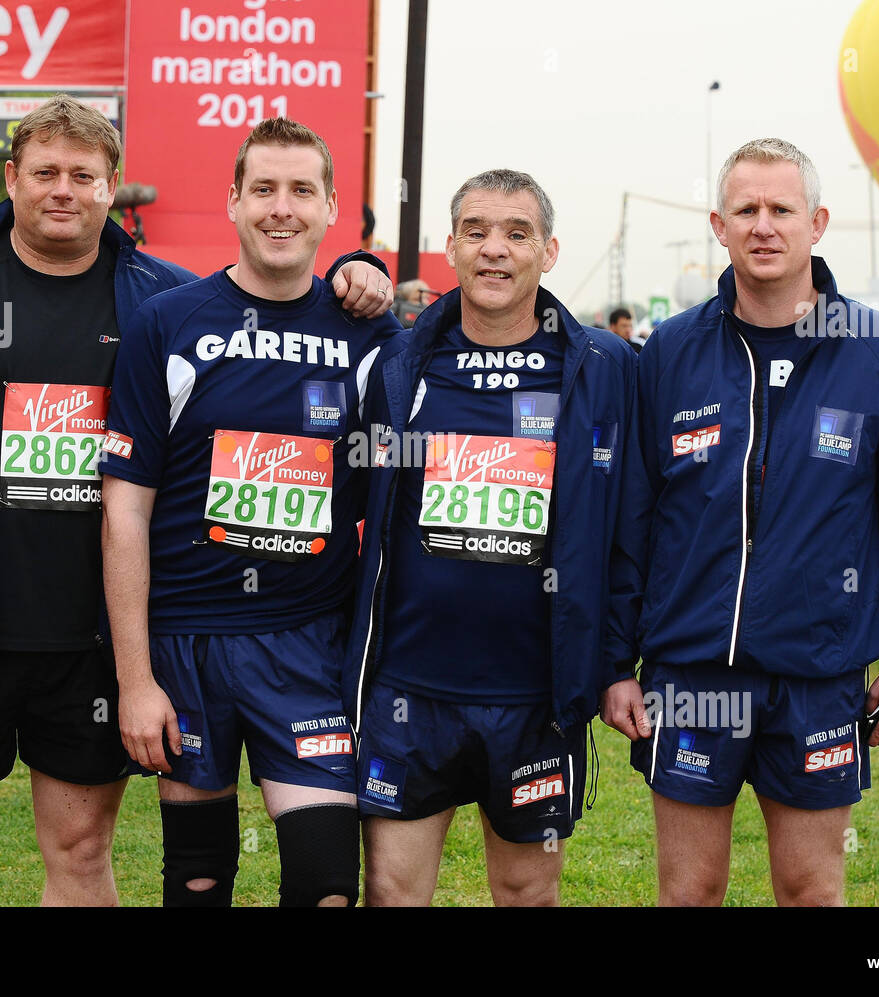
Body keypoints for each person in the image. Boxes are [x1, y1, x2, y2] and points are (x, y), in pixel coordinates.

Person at [0, 97, 391, 907]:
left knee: (83, 847)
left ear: (111, 187)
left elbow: (267, 320)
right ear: (11, 179)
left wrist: (359, 268)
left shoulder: (161, 302)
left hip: (93, 636)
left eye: (84, 175)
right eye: (46, 172)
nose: (65, 190)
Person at [620, 138, 879, 906]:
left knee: (809, 891)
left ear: (818, 222)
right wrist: (612, 660)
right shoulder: (670, 350)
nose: (764, 225)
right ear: (719, 224)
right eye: (746, 210)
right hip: (691, 673)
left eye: (782, 209)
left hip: (818, 674)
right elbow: (633, 521)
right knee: (689, 892)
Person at [101, 117, 400, 908]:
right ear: (233, 201)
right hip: (187, 643)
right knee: (198, 882)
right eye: (263, 188)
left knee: (328, 882)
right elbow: (125, 511)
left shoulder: (368, 335)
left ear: (332, 206)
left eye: (302, 190)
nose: (281, 208)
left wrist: (366, 271)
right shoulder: (169, 324)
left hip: (307, 644)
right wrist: (135, 680)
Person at [343, 169, 645, 906]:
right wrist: (352, 267)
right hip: (407, 693)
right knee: (390, 890)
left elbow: (631, 532)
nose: (494, 250)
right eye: (476, 231)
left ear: (549, 251)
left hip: (537, 696)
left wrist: (613, 661)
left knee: (526, 893)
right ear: (450, 246)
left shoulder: (604, 368)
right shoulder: (397, 363)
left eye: (516, 234)